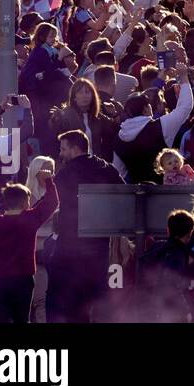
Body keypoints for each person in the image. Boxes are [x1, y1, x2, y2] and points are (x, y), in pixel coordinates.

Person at [49, 129, 123, 323]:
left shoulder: (65, 174)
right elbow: (125, 196)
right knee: (96, 297)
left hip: (70, 245)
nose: (61, 153)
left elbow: (58, 204)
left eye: (64, 149)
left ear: (74, 149)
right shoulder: (107, 168)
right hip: (99, 245)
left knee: (66, 299)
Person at [0, 171, 59, 323]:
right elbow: (52, 201)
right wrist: (48, 180)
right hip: (24, 281)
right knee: (22, 319)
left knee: (0, 319)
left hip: (1, 281)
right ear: (25, 203)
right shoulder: (30, 219)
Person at [137, 208, 194, 323]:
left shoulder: (156, 248)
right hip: (170, 311)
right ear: (190, 233)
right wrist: (185, 311)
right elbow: (172, 284)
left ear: (168, 230)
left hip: (147, 308)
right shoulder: (178, 253)